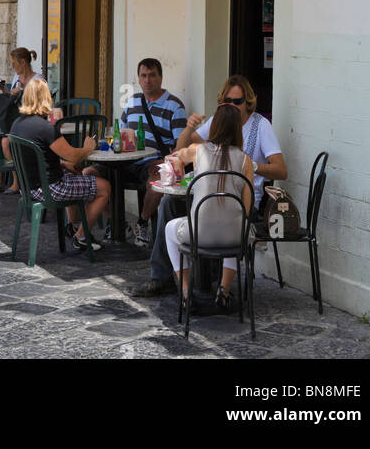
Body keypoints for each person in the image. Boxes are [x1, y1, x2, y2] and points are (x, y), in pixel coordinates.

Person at [137, 74, 287, 297]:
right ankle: (161, 277)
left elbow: (281, 170)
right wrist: (188, 128)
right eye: (227, 101)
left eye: (237, 102)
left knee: (221, 218)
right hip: (221, 205)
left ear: (248, 103)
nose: (231, 107)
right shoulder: (221, 118)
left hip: (240, 199)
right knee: (169, 203)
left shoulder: (260, 127)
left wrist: (253, 167)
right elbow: (181, 149)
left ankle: (201, 283)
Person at [165, 103, 255, 311]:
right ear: (237, 129)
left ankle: (187, 293)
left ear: (214, 126)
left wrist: (178, 156)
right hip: (234, 238)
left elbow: (177, 153)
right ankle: (223, 293)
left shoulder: (198, 151)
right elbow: (247, 209)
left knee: (170, 228)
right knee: (238, 224)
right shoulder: (246, 161)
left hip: (199, 234)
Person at [9, 78, 111, 251]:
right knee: (104, 187)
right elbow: (74, 155)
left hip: (29, 188)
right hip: (50, 189)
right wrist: (87, 148)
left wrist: (62, 165)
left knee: (73, 173)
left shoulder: (17, 125)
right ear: (46, 98)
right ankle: (81, 237)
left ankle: (72, 226)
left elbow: (38, 158)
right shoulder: (45, 128)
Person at [121, 57, 187, 246]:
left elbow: (180, 146)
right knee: (92, 176)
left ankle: (142, 223)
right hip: (126, 161)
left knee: (158, 179)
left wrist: (166, 162)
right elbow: (122, 132)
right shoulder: (132, 102)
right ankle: (117, 223)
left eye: (152, 75)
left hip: (154, 161)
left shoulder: (174, 106)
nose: (148, 80)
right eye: (143, 76)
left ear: (161, 77)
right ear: (138, 79)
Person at [0, 47, 42, 194]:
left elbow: (38, 105)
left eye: (14, 64)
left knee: (6, 142)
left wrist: (22, 92)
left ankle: (17, 181)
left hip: (29, 121)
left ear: (23, 62)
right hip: (14, 120)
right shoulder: (15, 78)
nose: (12, 67)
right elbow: (12, 102)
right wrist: (6, 93)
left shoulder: (37, 79)